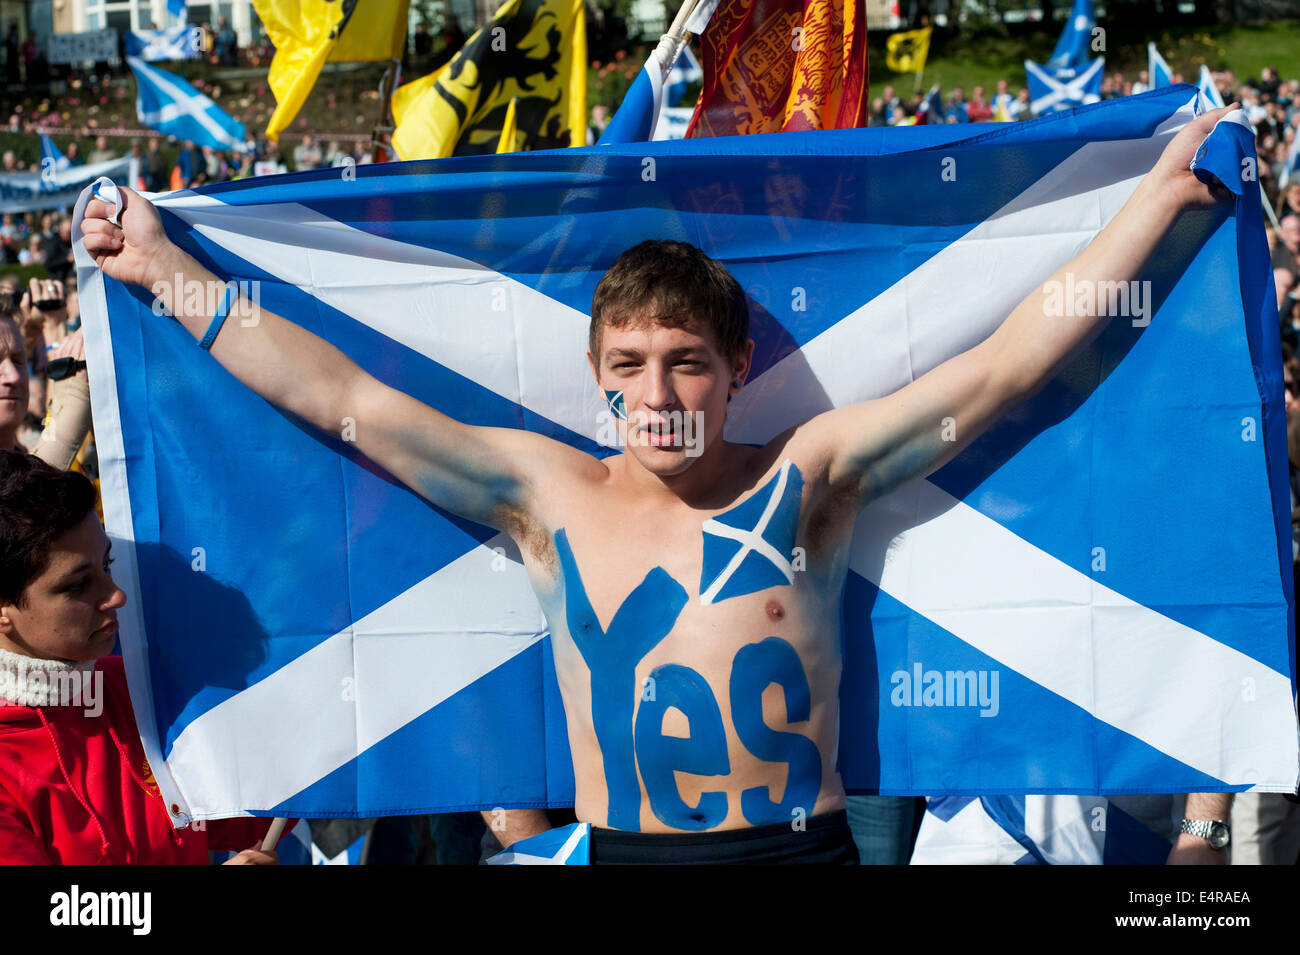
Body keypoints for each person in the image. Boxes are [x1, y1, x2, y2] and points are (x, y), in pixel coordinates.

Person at [79, 105, 1242, 864]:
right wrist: (163, 268)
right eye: (631, 364)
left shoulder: (813, 474)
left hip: (802, 849)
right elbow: (343, 399)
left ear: (737, 368)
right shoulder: (546, 494)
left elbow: (998, 370)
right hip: (625, 850)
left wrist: (1155, 201)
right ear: (596, 376)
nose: (660, 388)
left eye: (686, 360)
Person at [0, 452, 289, 862]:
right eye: (78, 585)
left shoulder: (137, 686)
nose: (116, 595)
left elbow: (247, 814)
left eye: (107, 564)